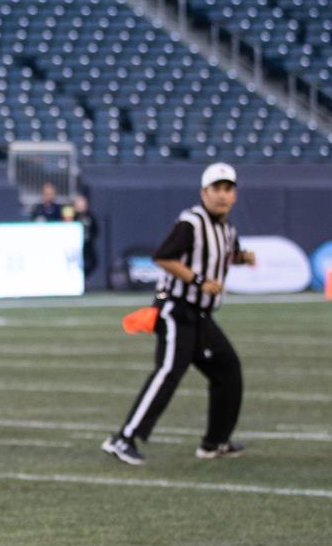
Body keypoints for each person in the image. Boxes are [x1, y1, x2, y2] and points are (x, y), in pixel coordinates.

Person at [103, 163, 255, 466]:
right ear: (204, 192)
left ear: (235, 195)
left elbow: (224, 256)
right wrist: (198, 280)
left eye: (228, 189)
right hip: (176, 309)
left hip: (201, 315)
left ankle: (214, 442)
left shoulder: (226, 229)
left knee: (228, 371)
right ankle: (123, 439)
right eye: (217, 189)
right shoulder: (191, 223)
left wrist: (241, 258)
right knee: (169, 372)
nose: (223, 195)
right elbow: (163, 257)